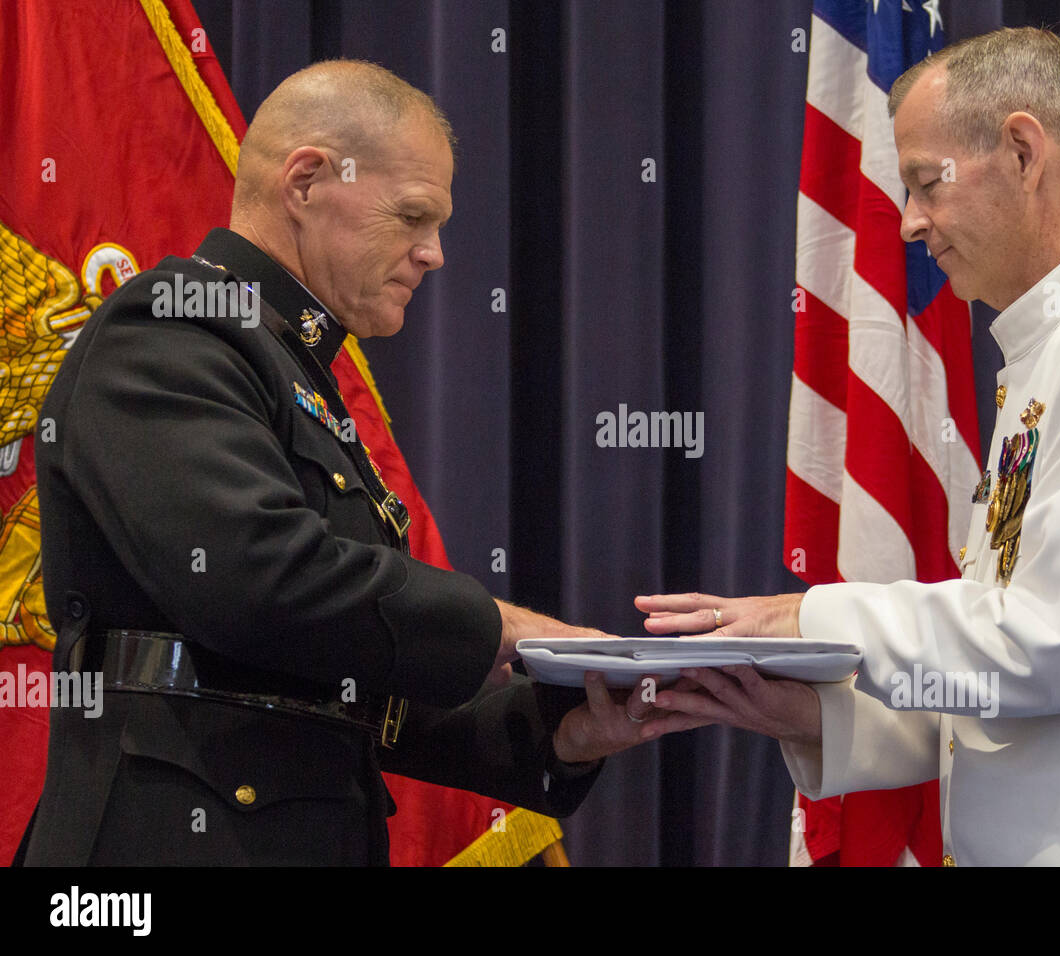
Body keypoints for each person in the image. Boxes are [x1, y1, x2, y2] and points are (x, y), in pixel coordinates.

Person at [637, 27, 1060, 865]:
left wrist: (808, 616)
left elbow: (1046, 648)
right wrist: (811, 713)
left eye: (925, 183)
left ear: (1024, 151)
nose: (909, 224)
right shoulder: (1051, 360)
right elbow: (1019, 696)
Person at [19, 60, 699, 866]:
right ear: (305, 180)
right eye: (412, 216)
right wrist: (501, 627)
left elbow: (337, 677)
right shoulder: (168, 331)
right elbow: (253, 576)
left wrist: (560, 734)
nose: (435, 254)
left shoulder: (286, 364)